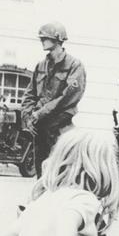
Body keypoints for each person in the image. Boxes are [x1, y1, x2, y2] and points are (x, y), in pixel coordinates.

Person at [21, 21, 86, 177]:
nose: (42, 40)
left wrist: (41, 113)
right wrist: (28, 116)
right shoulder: (41, 66)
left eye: (45, 37)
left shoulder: (74, 65)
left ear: (57, 39)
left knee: (60, 172)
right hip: (40, 127)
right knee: (41, 172)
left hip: (60, 127)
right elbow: (29, 94)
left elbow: (68, 97)